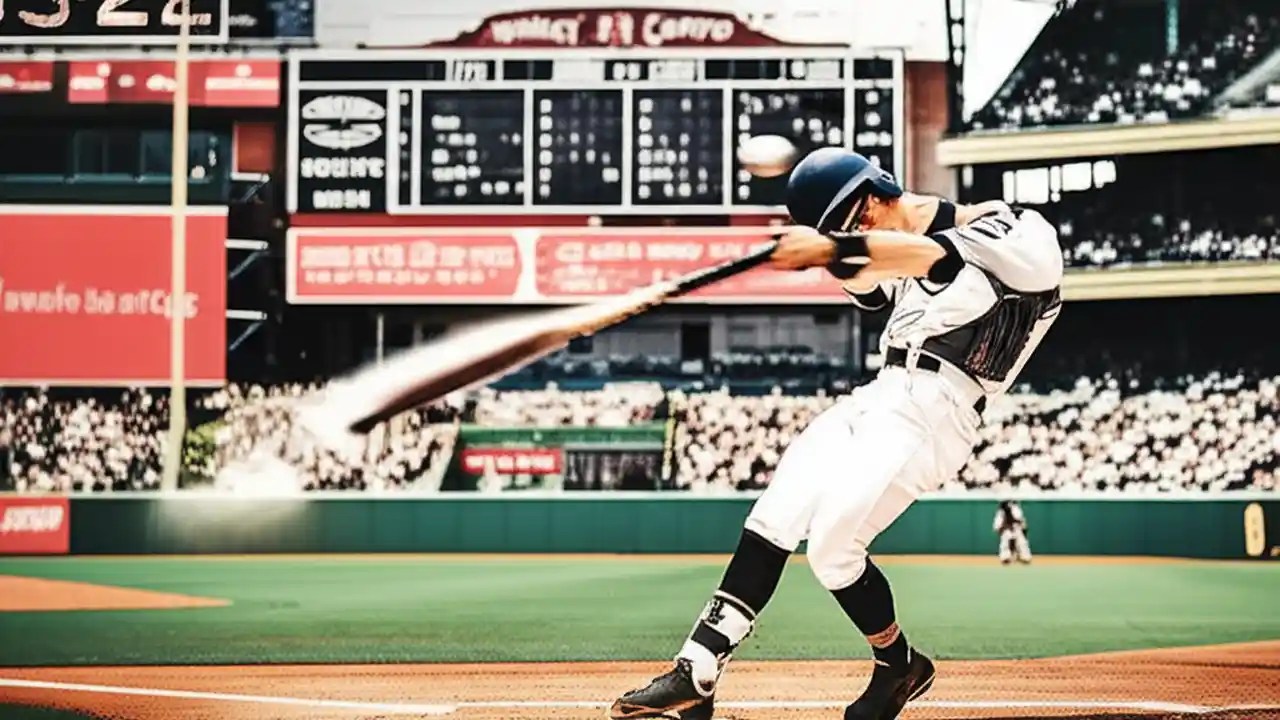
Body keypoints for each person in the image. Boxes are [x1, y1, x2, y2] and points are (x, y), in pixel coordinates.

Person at [608, 147, 1065, 720]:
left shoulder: (1018, 230)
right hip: (882, 393)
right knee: (779, 509)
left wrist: (827, 246)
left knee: (831, 549)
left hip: (938, 409)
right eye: (842, 227)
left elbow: (932, 255)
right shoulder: (894, 257)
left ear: (879, 191)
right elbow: (873, 280)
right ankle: (698, 666)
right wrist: (825, 252)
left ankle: (898, 668)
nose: (857, 230)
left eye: (856, 217)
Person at [994, 499, 1033, 564]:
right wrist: (1001, 529)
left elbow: (1020, 520)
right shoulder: (1000, 512)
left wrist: (1023, 528)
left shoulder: (1016, 509)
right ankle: (1005, 558)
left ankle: (1025, 557)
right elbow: (998, 524)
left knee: (1022, 542)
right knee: (1004, 543)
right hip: (1006, 529)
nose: (1008, 506)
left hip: (1016, 527)